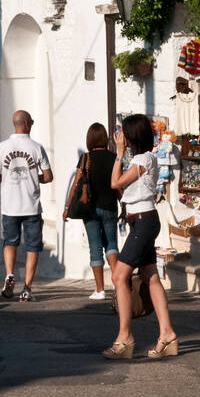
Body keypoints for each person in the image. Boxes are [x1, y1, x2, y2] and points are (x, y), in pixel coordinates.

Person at [104, 114, 178, 361]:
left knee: (119, 275)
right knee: (151, 277)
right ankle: (167, 334)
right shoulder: (143, 158)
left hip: (144, 224)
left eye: (123, 133)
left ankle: (125, 338)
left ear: (131, 136)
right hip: (142, 221)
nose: (119, 136)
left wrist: (118, 152)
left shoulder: (142, 159)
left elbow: (115, 182)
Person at [0, 110, 54, 302]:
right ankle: (26, 288)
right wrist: (35, 177)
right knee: (32, 246)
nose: (32, 124)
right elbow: (49, 176)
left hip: (10, 206)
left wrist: (7, 178)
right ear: (26, 124)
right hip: (31, 207)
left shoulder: (2, 147)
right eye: (31, 122)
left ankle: (9, 274)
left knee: (10, 242)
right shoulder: (37, 147)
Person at [63, 123, 119, 301]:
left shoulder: (86, 158)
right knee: (111, 245)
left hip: (90, 208)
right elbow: (119, 185)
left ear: (89, 139)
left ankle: (100, 290)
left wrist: (67, 207)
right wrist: (124, 206)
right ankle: (119, 287)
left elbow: (76, 184)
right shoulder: (114, 158)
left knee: (95, 247)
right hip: (110, 206)